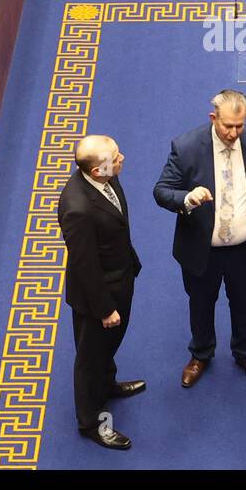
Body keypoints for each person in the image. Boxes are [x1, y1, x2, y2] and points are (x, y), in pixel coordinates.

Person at [153, 90, 246, 388]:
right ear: (213, 118)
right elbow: (161, 191)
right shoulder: (186, 146)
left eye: (239, 126)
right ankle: (201, 354)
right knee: (201, 304)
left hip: (245, 249)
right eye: (227, 126)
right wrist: (187, 197)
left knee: (245, 304)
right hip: (201, 251)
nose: (233, 133)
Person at [58, 134, 145, 450]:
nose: (122, 158)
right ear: (96, 171)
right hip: (98, 296)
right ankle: (91, 423)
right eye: (116, 157)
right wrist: (105, 308)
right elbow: (85, 265)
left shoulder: (106, 177)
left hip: (120, 277)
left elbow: (116, 227)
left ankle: (107, 385)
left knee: (108, 346)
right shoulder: (77, 208)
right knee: (89, 359)